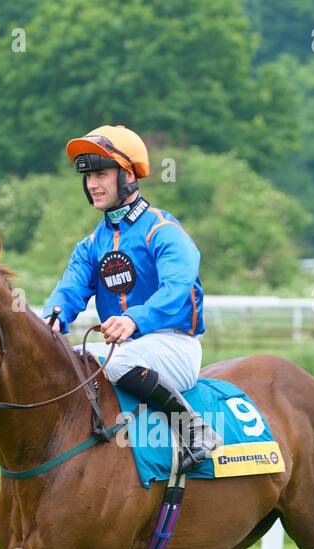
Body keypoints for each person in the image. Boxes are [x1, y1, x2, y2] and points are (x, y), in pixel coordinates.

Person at [43, 124, 222, 471]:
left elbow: (177, 287)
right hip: (125, 351)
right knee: (69, 362)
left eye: (100, 174)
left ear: (126, 176)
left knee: (116, 362)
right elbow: (69, 290)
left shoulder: (164, 231)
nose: (92, 184)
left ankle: (196, 431)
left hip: (174, 347)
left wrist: (134, 319)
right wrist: (53, 317)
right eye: (87, 176)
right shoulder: (91, 245)